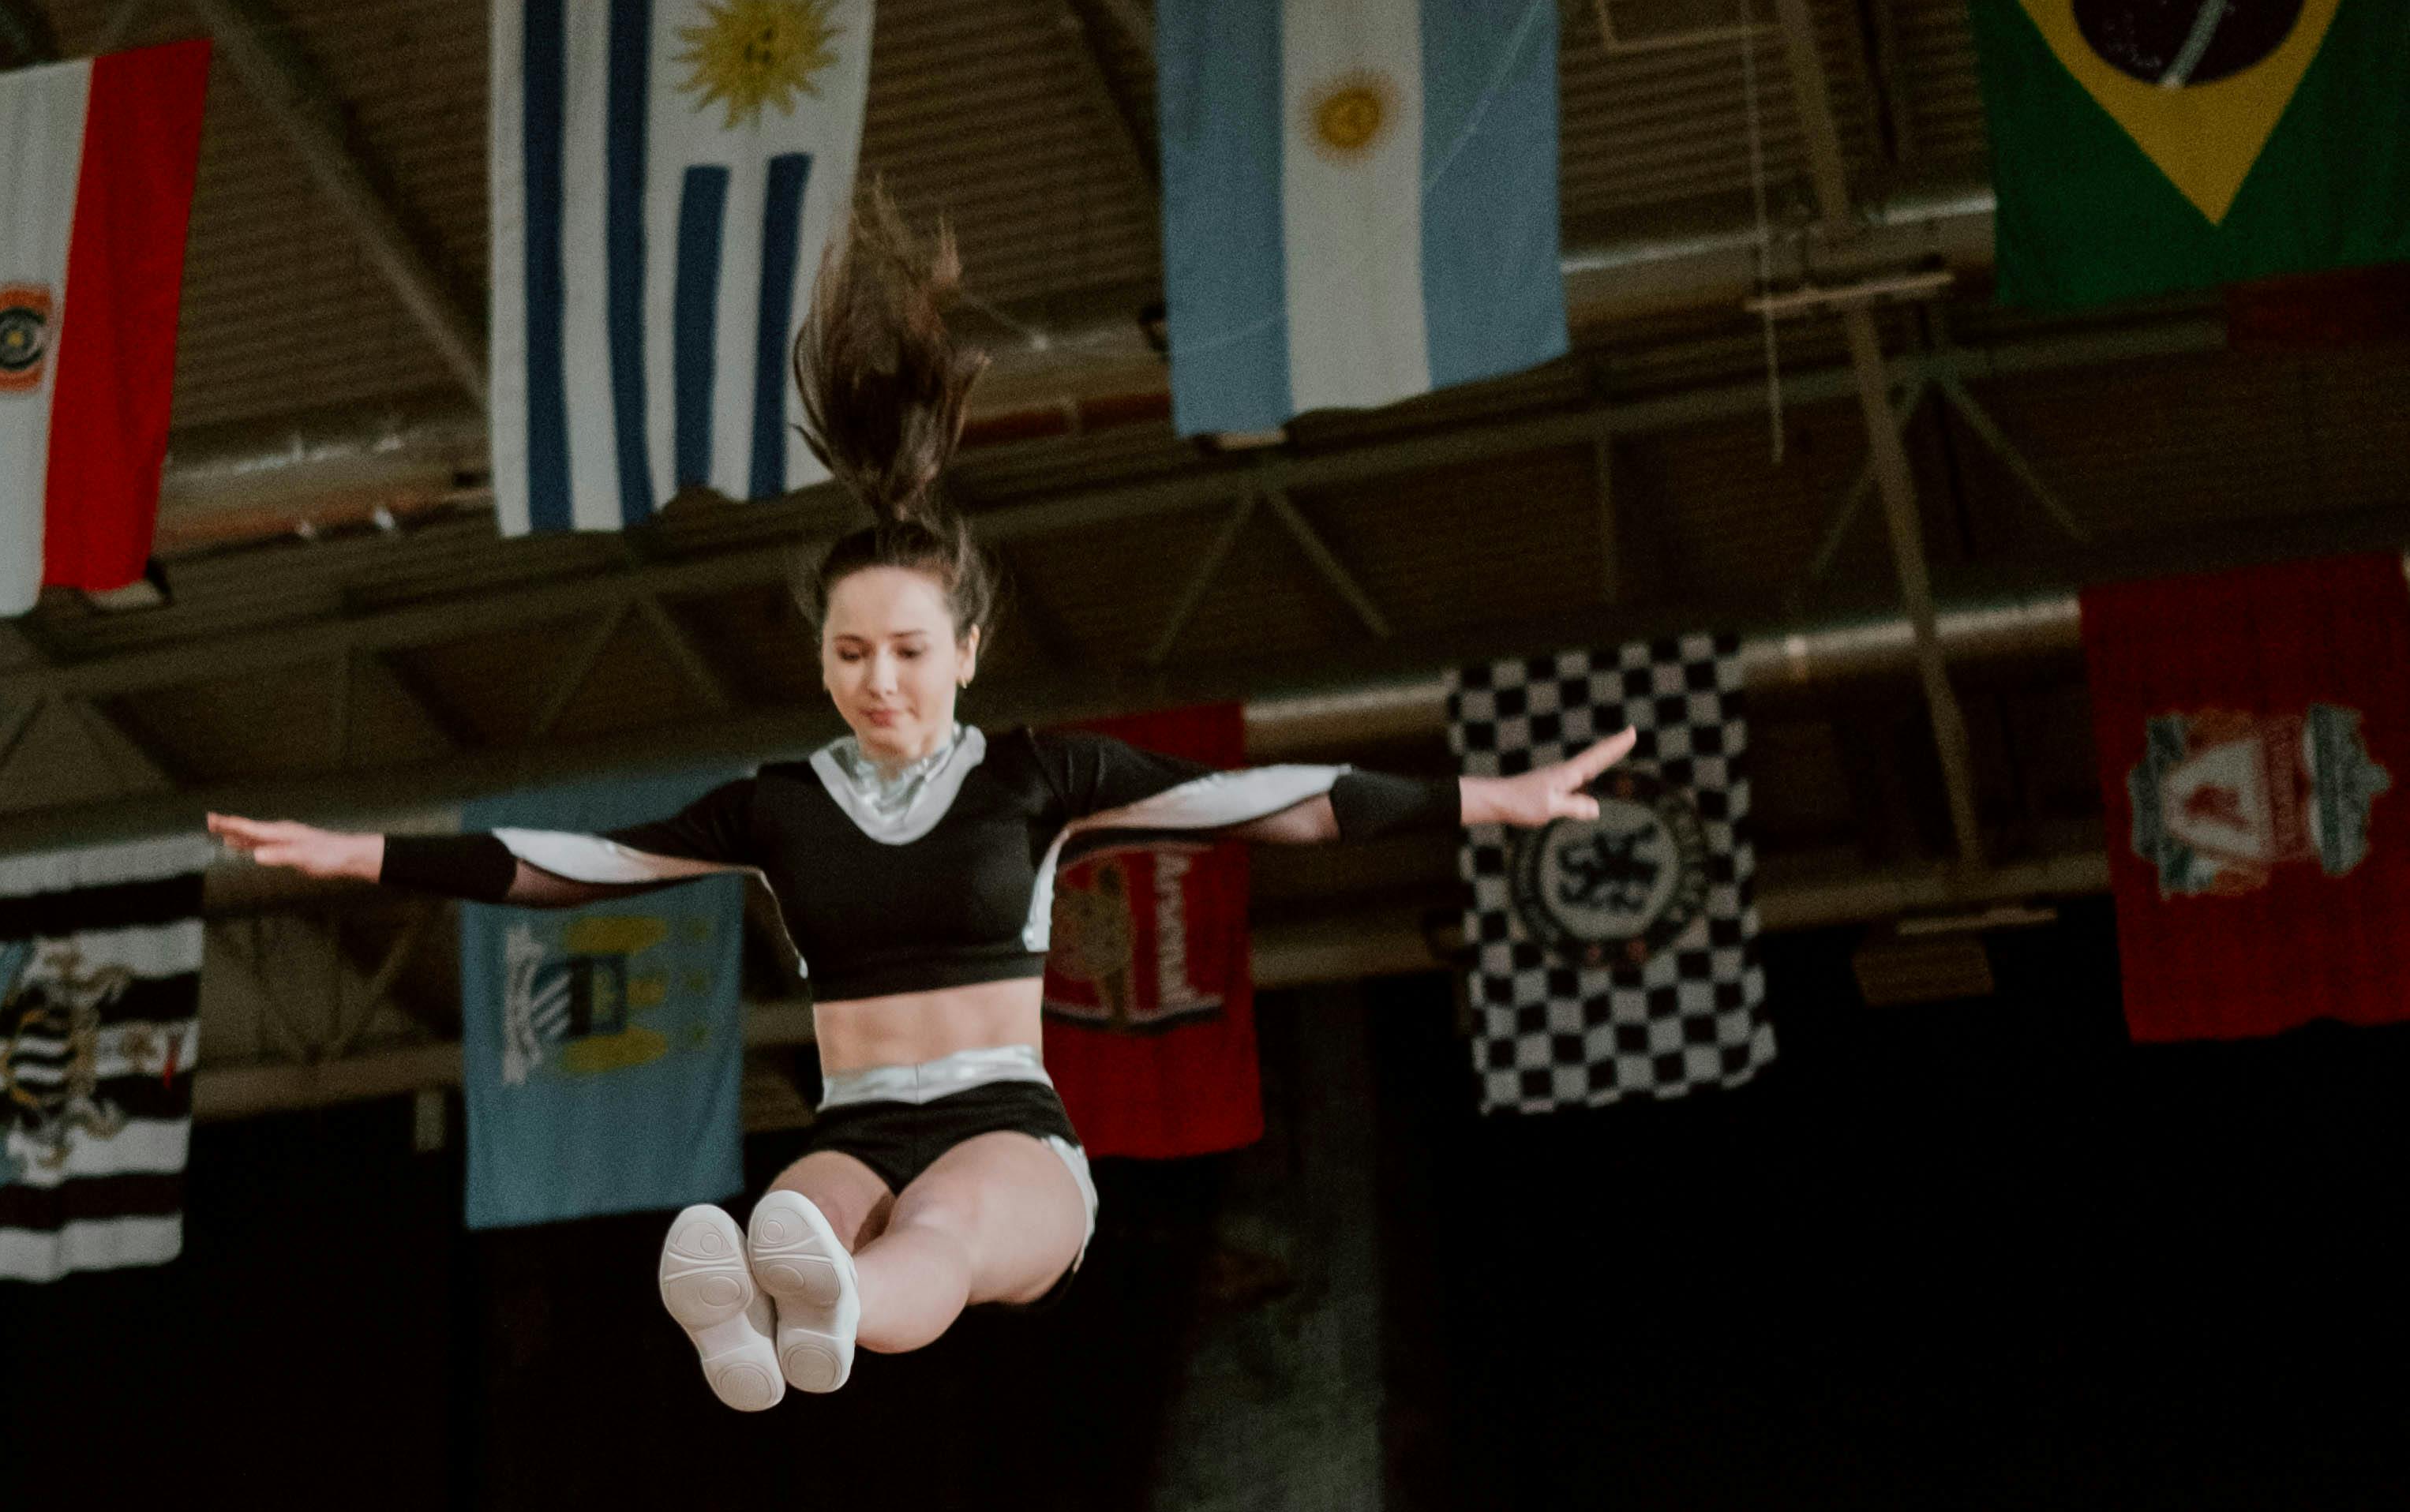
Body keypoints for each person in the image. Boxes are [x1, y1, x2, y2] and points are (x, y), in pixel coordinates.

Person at [210, 190, 1634, 1411]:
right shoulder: (776, 805)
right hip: (854, 1118)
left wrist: (1484, 797)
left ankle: (812, 1307)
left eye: (905, 651)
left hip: (1004, 1121)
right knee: (790, 1209)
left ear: (965, 650)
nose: (878, 680)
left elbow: (1264, 800)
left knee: (939, 1229)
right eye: (847, 654)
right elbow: (568, 861)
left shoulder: (1037, 775)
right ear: (819, 660)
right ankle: (765, 1308)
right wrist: (367, 853)